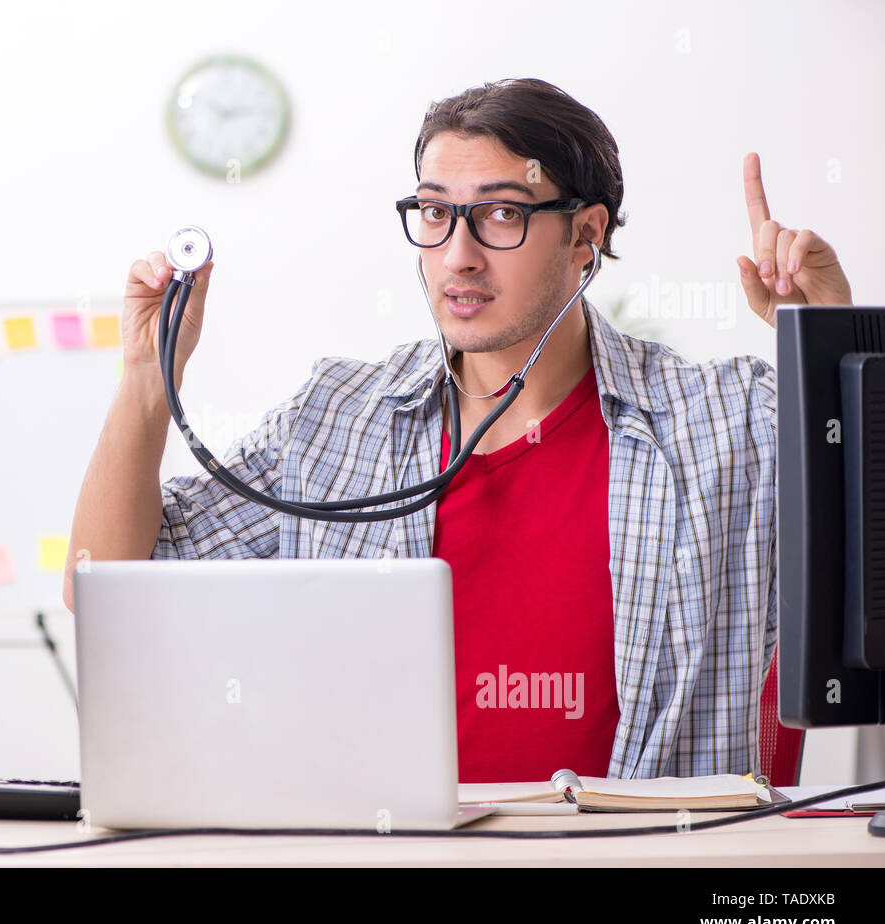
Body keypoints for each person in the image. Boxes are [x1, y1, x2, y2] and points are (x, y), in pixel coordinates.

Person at [63, 77, 853, 781]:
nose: (458, 256)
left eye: (501, 213)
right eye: (436, 213)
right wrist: (146, 375)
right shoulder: (333, 419)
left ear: (585, 235)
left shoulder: (729, 420)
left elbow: (867, 576)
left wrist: (828, 346)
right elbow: (105, 588)